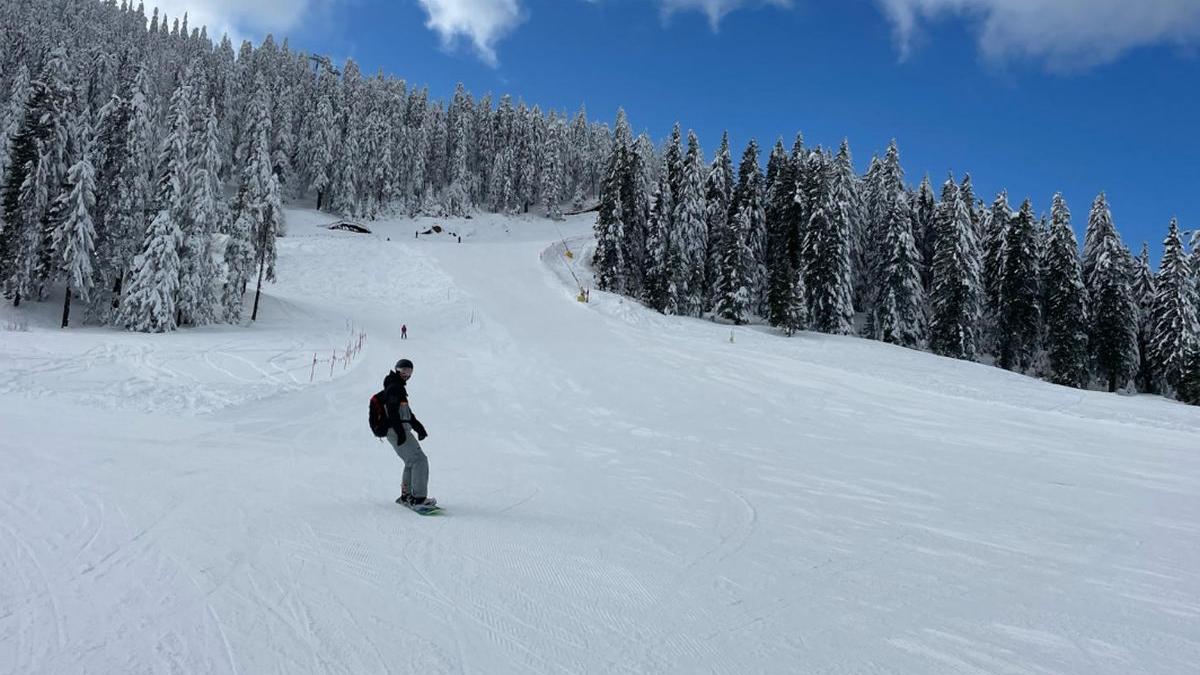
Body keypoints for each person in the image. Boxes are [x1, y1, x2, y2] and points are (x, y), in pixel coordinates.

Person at [383, 359, 434, 506]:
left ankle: (407, 496)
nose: (407, 374)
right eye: (404, 371)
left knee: (411, 461)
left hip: (397, 430)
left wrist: (419, 428)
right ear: (397, 370)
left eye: (410, 372)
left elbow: (407, 414)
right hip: (397, 430)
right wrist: (400, 433)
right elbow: (392, 412)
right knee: (420, 460)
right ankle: (419, 498)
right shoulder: (394, 388)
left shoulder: (397, 387)